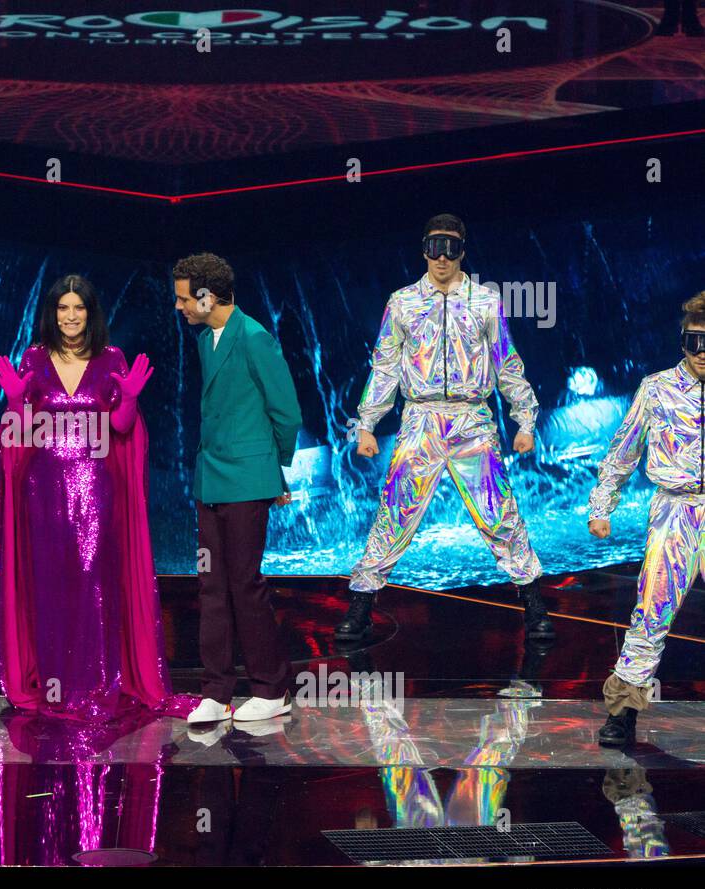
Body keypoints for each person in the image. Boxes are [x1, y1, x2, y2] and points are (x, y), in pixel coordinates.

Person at [336, 214, 553, 640]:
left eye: (450, 247)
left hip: (472, 420)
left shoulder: (485, 302)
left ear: (463, 252)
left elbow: (506, 362)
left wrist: (524, 417)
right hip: (421, 420)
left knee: (500, 514)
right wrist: (366, 424)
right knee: (394, 515)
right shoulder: (401, 303)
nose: (442, 257)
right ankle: (360, 608)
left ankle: (534, 608)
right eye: (435, 246)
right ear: (423, 249)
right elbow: (385, 367)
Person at [0, 274, 188, 720]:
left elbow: (120, 427)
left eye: (78, 307)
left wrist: (131, 400)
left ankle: (96, 680)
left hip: (95, 488)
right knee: (50, 583)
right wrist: (19, 401)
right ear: (52, 313)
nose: (70, 316)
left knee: (92, 582)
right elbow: (20, 430)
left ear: (90, 312)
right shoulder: (34, 357)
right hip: (42, 489)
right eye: (62, 308)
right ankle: (55, 681)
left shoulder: (110, 357)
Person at [175, 253, 302, 725]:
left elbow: (286, 413)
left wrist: (272, 474)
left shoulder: (253, 337)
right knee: (212, 586)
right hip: (212, 478)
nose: (180, 306)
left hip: (247, 481)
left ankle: (271, 688)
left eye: (185, 298)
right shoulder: (207, 339)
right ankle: (217, 690)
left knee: (245, 586)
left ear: (208, 296)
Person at [588, 291, 705, 747]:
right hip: (675, 511)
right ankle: (622, 712)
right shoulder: (656, 389)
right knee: (652, 612)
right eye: (695, 342)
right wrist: (602, 507)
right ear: (682, 341)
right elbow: (623, 451)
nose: (703, 353)